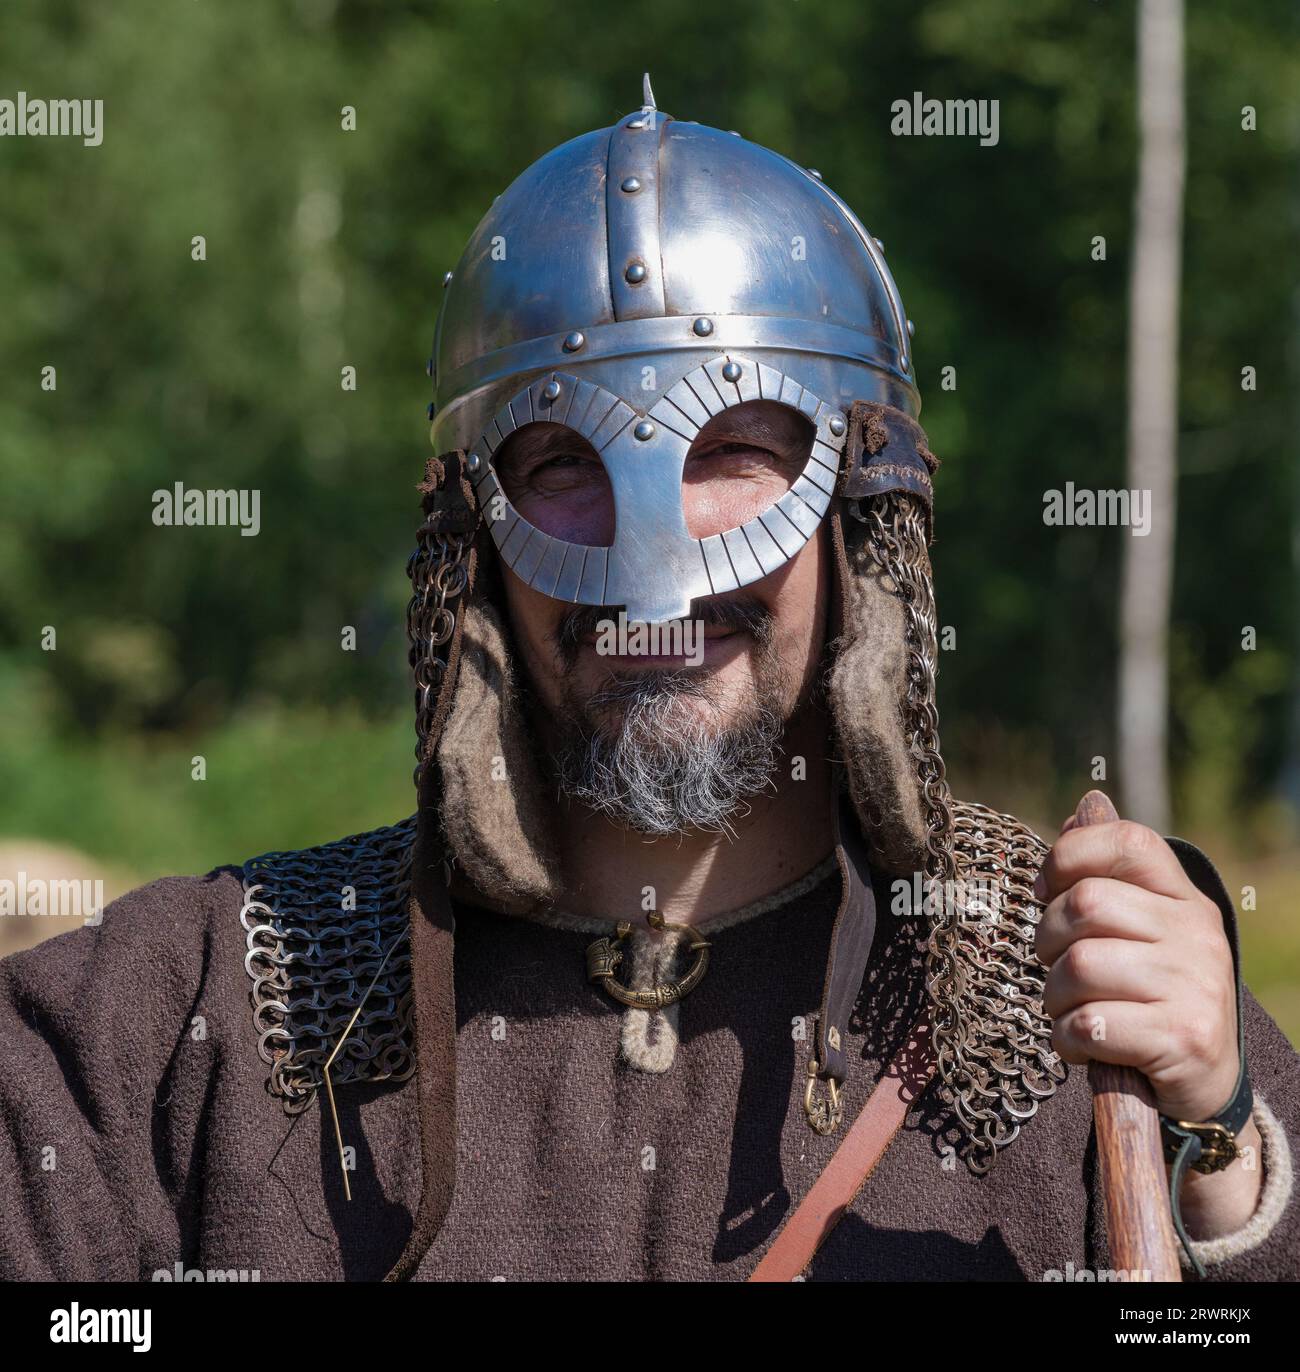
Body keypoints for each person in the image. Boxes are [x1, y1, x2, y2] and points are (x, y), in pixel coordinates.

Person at [2, 81, 1296, 1282]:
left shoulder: (1085, 995)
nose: (655, 571)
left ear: (861, 513)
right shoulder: (191, 1020)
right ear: (471, 544)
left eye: (737, 447)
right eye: (564, 463)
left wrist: (1226, 1162)